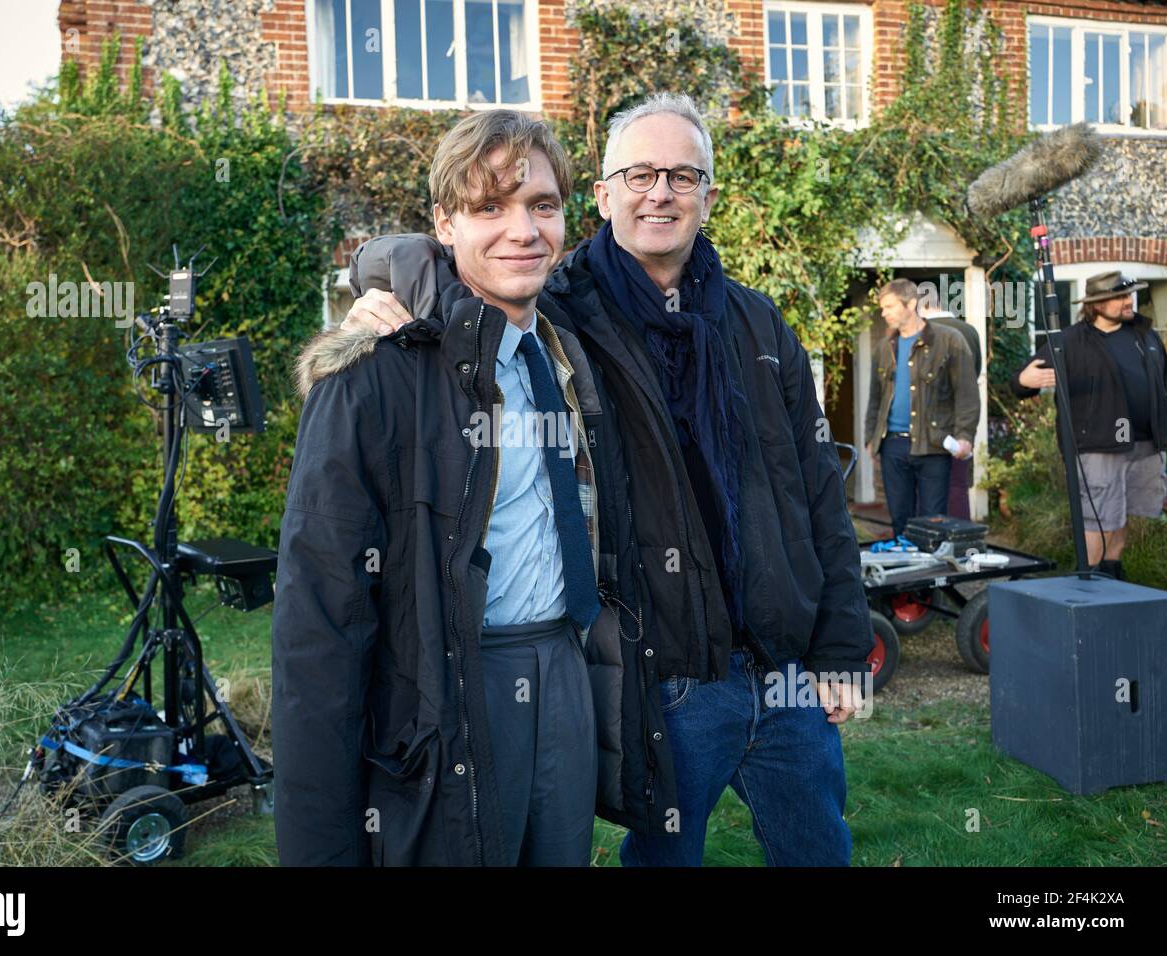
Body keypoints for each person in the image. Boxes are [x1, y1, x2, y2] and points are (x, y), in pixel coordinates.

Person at [341, 93, 873, 867]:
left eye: (683, 176)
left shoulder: (759, 326)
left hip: (784, 664)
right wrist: (380, 282)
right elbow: (453, 257)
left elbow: (821, 491)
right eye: (639, 174)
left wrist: (841, 647)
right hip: (667, 675)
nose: (660, 192)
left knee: (819, 851)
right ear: (602, 194)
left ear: (709, 196)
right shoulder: (558, 314)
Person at [272, 110, 604, 865]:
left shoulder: (560, 350)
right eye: (490, 207)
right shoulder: (372, 377)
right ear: (444, 224)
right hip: (453, 683)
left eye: (541, 206)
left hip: (562, 669)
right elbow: (319, 624)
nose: (522, 230)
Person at [1010, 271, 1167, 580]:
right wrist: (1023, 380)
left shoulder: (1145, 335)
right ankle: (1088, 578)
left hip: (1145, 443)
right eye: (1120, 297)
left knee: (1125, 511)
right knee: (1098, 515)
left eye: (1130, 294)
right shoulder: (1070, 341)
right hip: (1099, 444)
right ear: (1097, 304)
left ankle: (1113, 569)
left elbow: (1161, 382)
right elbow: (1020, 380)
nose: (1129, 301)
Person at [863, 279, 978, 539]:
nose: (884, 313)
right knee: (900, 520)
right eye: (882, 308)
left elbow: (967, 394)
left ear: (911, 303)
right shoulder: (884, 347)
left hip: (933, 443)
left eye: (890, 306)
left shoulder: (950, 341)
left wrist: (964, 436)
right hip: (892, 444)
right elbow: (875, 397)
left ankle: (934, 578)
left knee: (932, 521)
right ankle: (907, 575)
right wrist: (871, 437)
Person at [918, 297, 981, 520]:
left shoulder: (926, 332)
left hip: (933, 423)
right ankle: (963, 540)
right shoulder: (970, 331)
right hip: (963, 417)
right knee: (958, 485)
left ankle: (936, 541)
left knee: (931, 491)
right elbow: (975, 372)